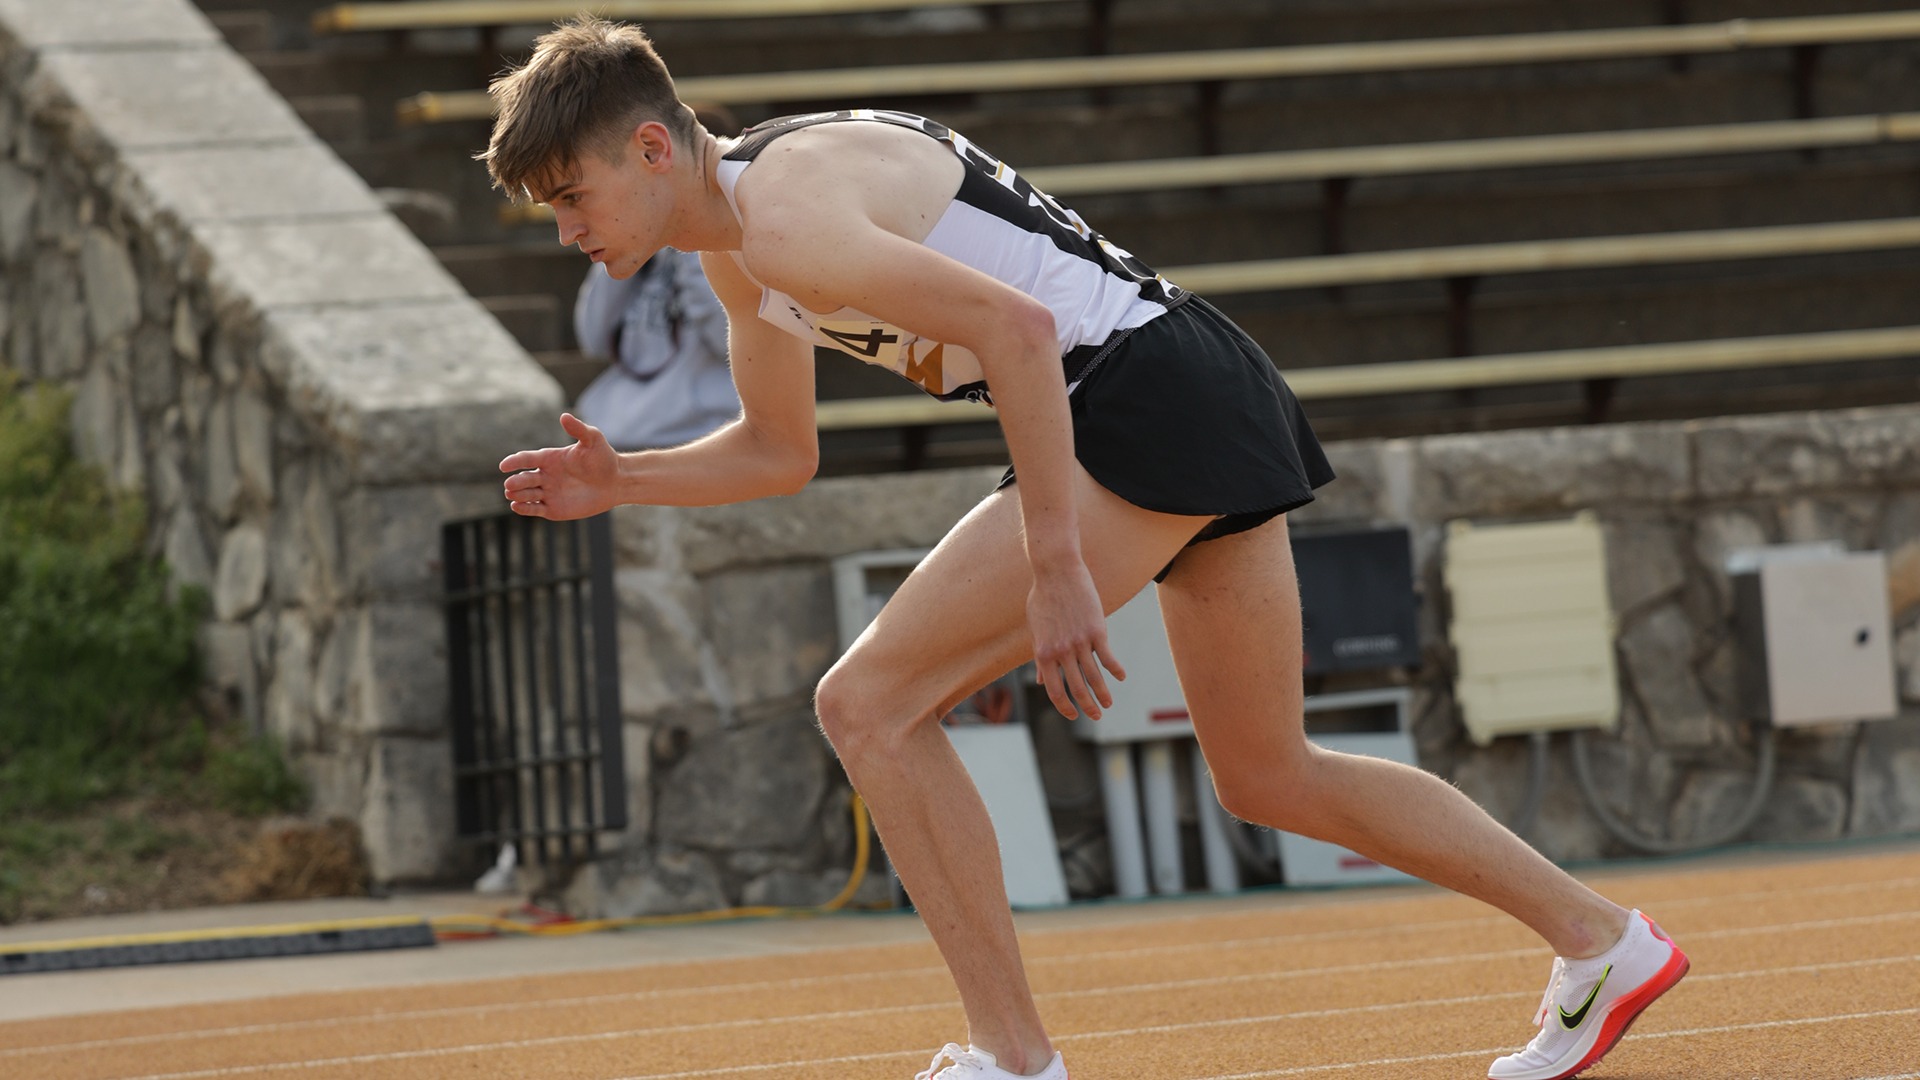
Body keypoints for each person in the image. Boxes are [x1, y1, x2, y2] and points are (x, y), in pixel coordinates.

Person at [483, 18, 1689, 1080]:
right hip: (1191, 379)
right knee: (1269, 774)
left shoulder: (786, 215)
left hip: (1131, 396)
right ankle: (1602, 942)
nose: (567, 229)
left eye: (572, 195)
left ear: (653, 148)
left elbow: (1018, 331)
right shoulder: (745, 249)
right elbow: (778, 451)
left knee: (870, 705)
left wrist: (1059, 566)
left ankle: (1013, 1056)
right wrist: (625, 479)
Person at [570, 104, 743, 451]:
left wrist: (693, 249)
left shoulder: (736, 240)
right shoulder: (645, 240)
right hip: (618, 428)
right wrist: (620, 243)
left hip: (697, 437)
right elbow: (593, 337)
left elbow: (725, 338)